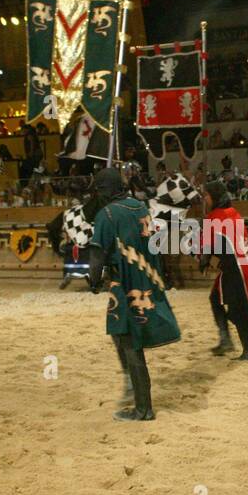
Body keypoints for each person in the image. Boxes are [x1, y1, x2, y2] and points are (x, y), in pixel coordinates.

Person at [87, 168, 180, 421]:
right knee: (121, 335)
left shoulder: (106, 214)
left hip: (126, 283)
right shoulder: (139, 207)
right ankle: (134, 389)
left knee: (130, 342)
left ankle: (143, 408)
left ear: (105, 191)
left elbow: (96, 254)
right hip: (147, 278)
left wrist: (93, 281)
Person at [200, 180, 248, 360]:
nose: (204, 199)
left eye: (206, 195)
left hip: (235, 270)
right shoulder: (233, 213)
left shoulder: (215, 217)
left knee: (238, 310)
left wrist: (203, 261)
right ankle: (226, 339)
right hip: (241, 266)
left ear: (214, 196)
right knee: (216, 299)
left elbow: (208, 247)